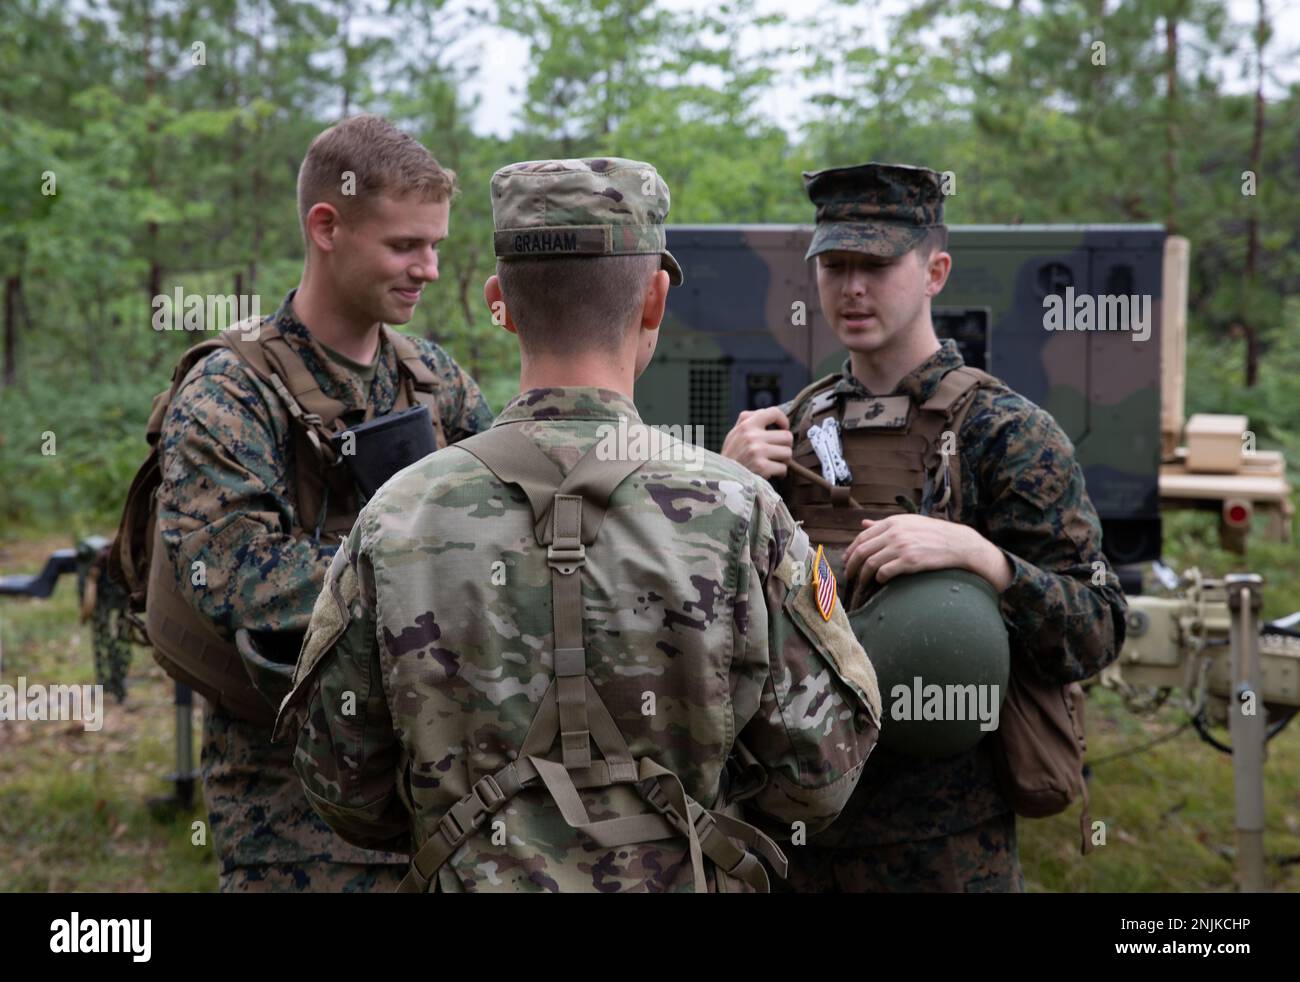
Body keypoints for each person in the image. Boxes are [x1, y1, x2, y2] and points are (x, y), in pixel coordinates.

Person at [276, 157, 883, 893]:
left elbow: (343, 785)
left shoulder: (397, 515)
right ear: (655, 300)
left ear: (500, 301)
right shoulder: (741, 511)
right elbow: (818, 778)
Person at [719, 161, 1127, 892]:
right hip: (795, 832)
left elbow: (1096, 629)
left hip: (944, 848)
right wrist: (728, 486)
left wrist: (986, 561)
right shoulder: (784, 433)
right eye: (835, 265)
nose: (852, 288)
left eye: (876, 265)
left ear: (935, 270)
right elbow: (720, 626)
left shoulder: (1007, 435)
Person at [156, 114, 493, 892]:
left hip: (442, 785)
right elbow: (236, 576)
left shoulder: (435, 380)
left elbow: (512, 517)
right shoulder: (229, 393)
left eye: (436, 244)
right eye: (406, 245)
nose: (430, 269)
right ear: (326, 226)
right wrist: (437, 576)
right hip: (296, 812)